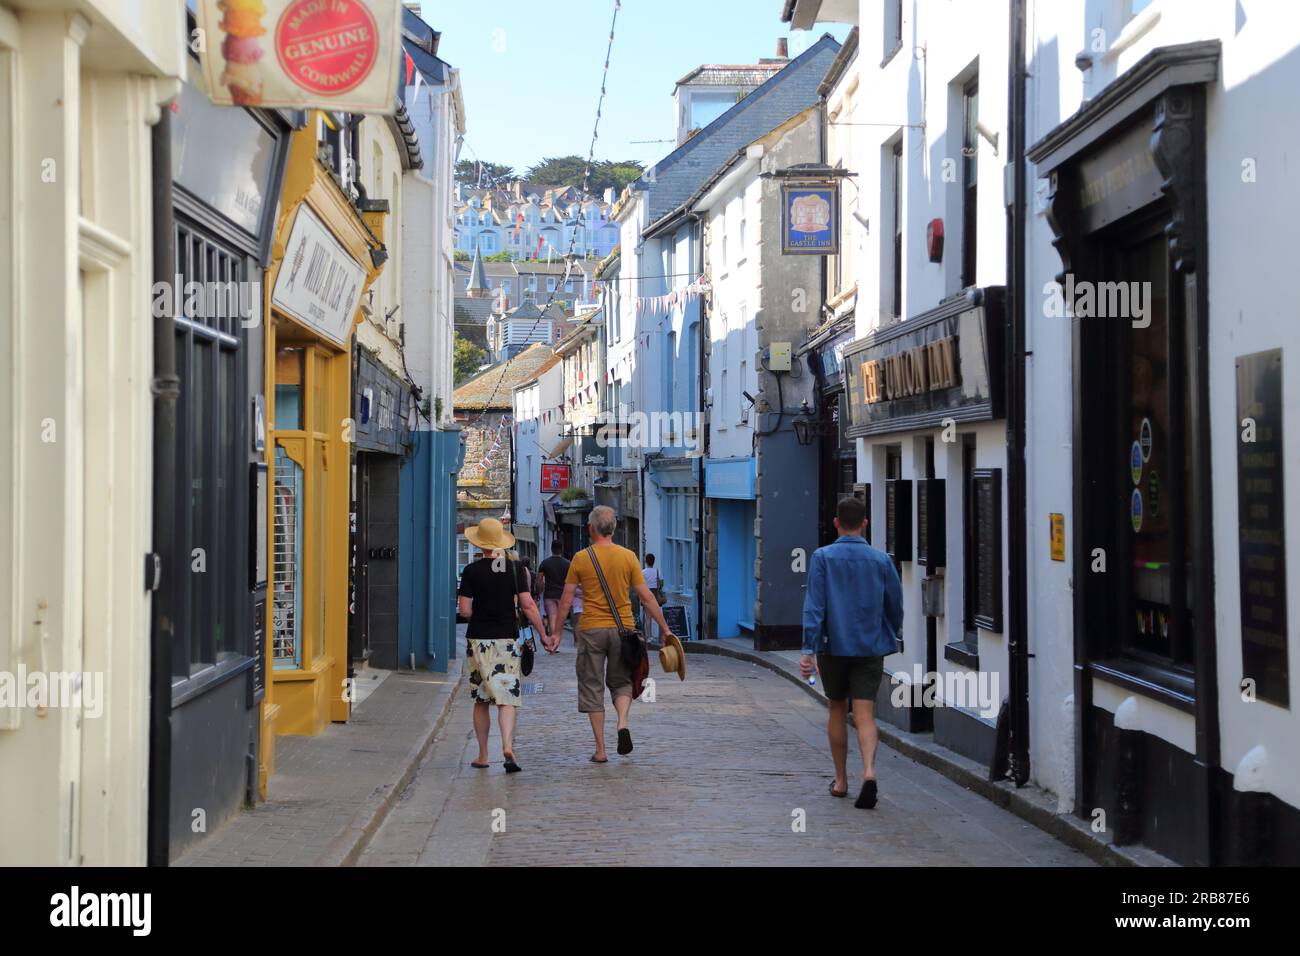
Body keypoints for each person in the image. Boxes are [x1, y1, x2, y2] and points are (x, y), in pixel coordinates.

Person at [547, 505, 677, 763]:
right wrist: (665, 628)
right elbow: (646, 597)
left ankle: (600, 750)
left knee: (592, 687)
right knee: (622, 682)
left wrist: (557, 633)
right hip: (623, 630)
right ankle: (622, 723)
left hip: (591, 630)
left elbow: (566, 600)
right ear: (614, 529)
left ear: (590, 528)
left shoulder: (581, 558)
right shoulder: (628, 557)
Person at [799, 496, 903, 809]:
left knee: (836, 708)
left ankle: (841, 780)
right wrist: (889, 632)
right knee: (864, 712)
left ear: (836, 523)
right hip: (869, 647)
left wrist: (808, 650)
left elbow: (815, 607)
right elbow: (895, 605)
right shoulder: (881, 560)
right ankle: (869, 771)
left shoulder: (822, 558)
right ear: (865, 523)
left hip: (833, 646)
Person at [458, 519, 549, 774]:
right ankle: (507, 746)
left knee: (481, 699)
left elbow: (464, 610)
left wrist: (480, 611)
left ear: (480, 544)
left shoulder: (471, 571)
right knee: (506, 698)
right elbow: (528, 605)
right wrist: (544, 635)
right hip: (507, 640)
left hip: (479, 640)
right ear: (501, 543)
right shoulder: (515, 569)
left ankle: (483, 755)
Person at [536, 540, 571, 639]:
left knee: (552, 618)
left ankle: (553, 640)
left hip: (549, 595)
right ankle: (557, 639)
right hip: (562, 595)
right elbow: (571, 581)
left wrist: (538, 591)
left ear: (551, 549)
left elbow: (539, 580)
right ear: (562, 549)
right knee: (560, 620)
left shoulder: (545, 563)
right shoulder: (567, 564)